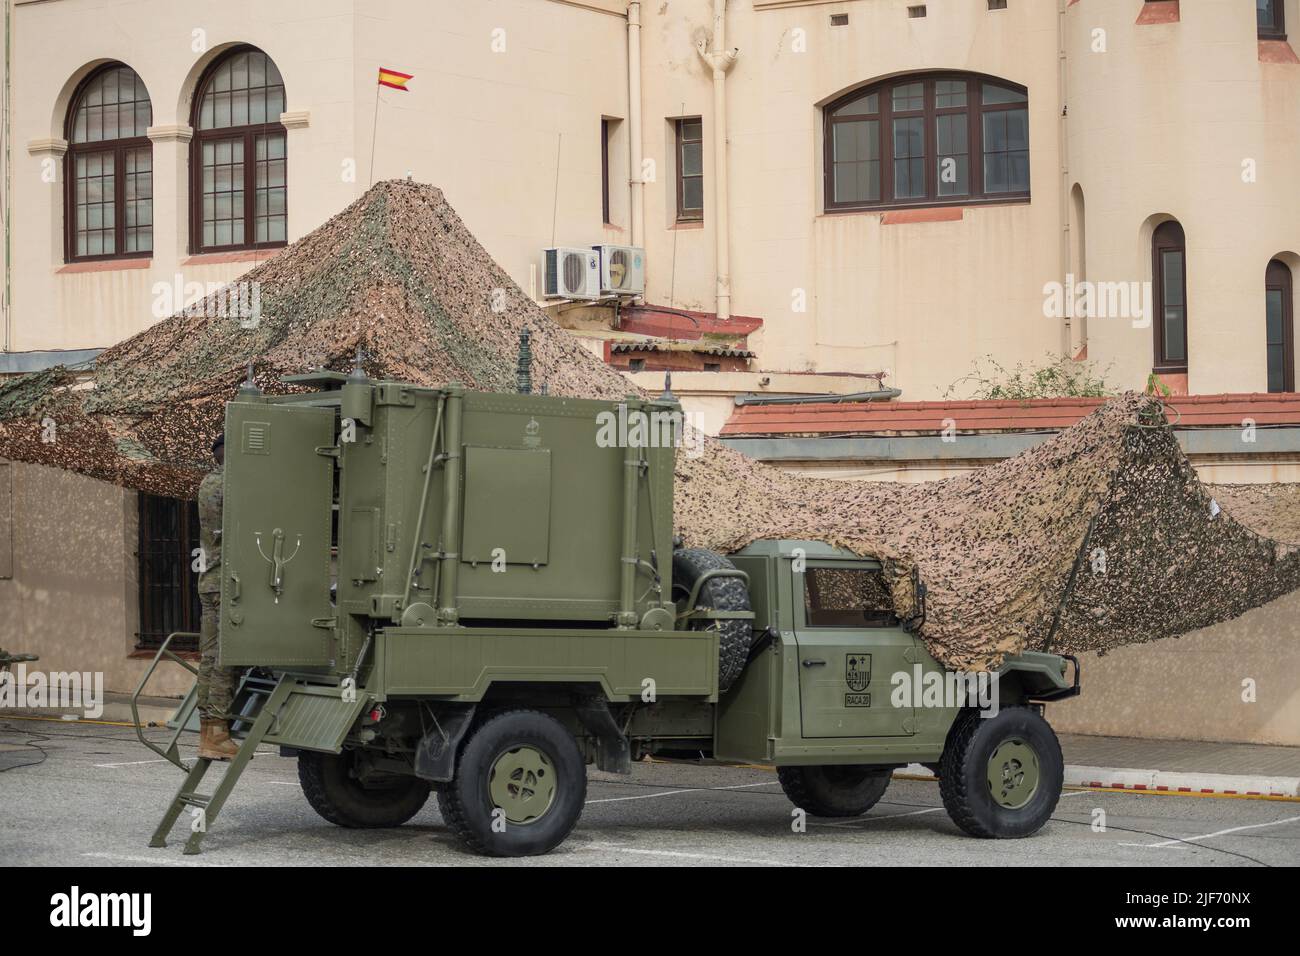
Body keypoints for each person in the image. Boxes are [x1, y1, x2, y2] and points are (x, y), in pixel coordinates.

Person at [196, 434, 238, 760]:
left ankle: (206, 733)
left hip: (208, 580)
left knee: (208, 658)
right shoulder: (235, 485)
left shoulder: (207, 483)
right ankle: (219, 733)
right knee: (226, 658)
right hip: (227, 583)